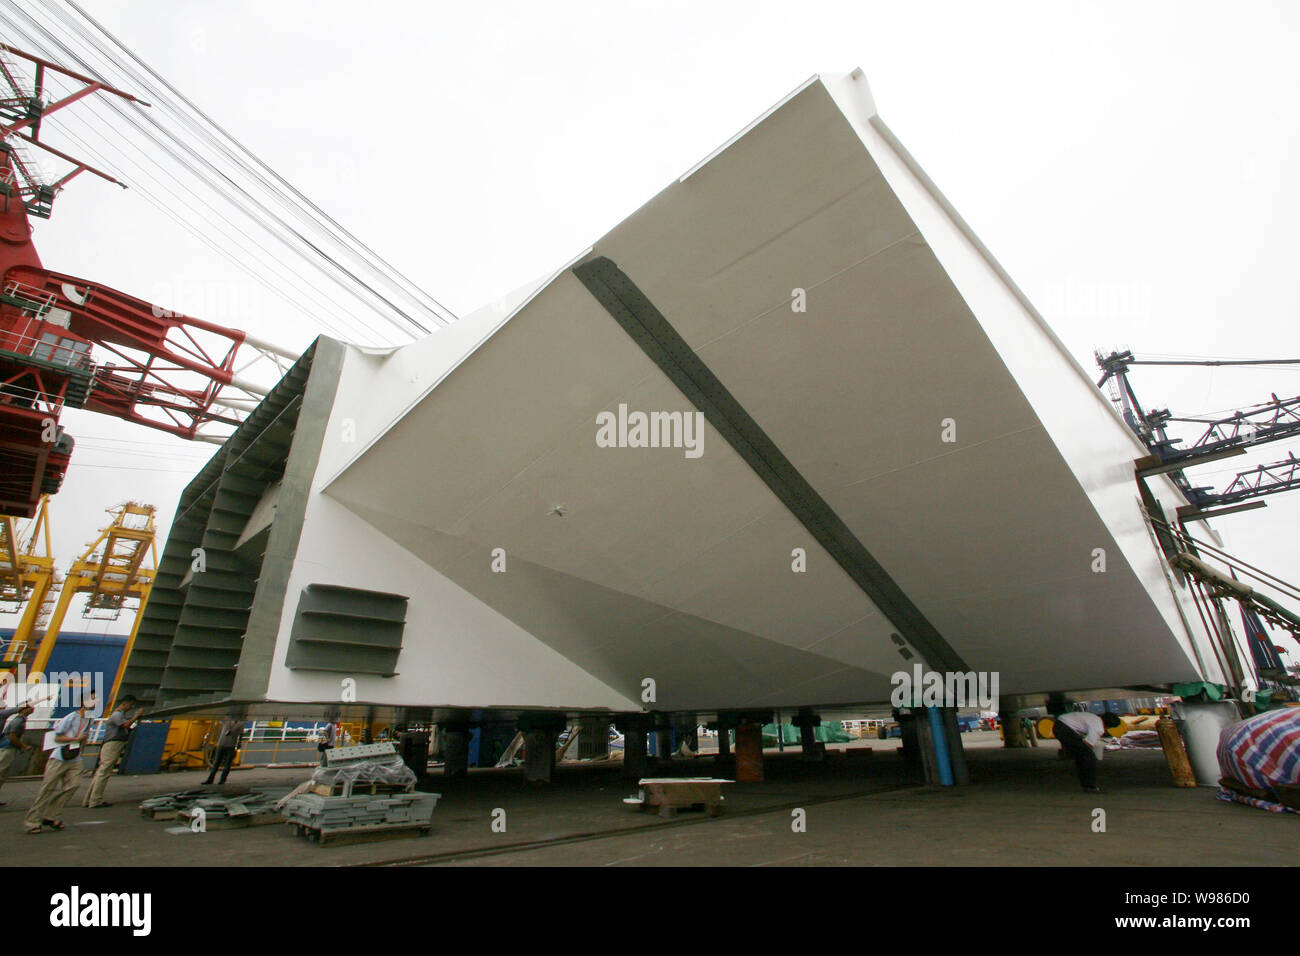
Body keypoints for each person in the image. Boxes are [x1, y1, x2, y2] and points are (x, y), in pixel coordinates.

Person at [24, 691, 97, 834]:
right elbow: (57, 738)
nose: (95, 702)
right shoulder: (70, 718)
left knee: (73, 785)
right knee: (47, 789)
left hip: (75, 757)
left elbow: (85, 736)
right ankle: (32, 822)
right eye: (92, 699)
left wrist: (81, 747)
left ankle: (50, 815)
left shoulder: (90, 718)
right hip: (60, 757)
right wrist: (74, 739)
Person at [83, 695, 143, 809]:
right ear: (125, 703)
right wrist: (136, 716)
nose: (131, 707)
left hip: (111, 744)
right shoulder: (117, 715)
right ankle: (95, 800)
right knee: (104, 772)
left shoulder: (119, 714)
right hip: (112, 744)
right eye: (130, 705)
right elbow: (125, 725)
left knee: (101, 772)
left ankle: (90, 799)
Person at [1053, 709, 1123, 793]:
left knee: (1081, 754)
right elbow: (1088, 743)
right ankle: (1090, 786)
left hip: (1060, 724)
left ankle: (1085, 782)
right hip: (1065, 728)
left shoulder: (1094, 717)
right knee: (1089, 757)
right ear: (1109, 726)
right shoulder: (1099, 727)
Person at [0, 702, 36, 805]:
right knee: (1, 773)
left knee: (3, 774)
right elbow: (12, 737)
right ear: (25, 709)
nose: (33, 709)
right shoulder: (18, 721)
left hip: (7, 748)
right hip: (7, 749)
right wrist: (23, 746)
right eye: (31, 708)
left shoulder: (19, 720)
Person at [203, 715, 244, 786]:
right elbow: (220, 719)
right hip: (222, 744)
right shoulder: (227, 720)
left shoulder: (240, 724)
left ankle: (222, 780)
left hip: (231, 745)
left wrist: (239, 743)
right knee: (216, 763)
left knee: (227, 764)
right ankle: (210, 779)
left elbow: (241, 734)